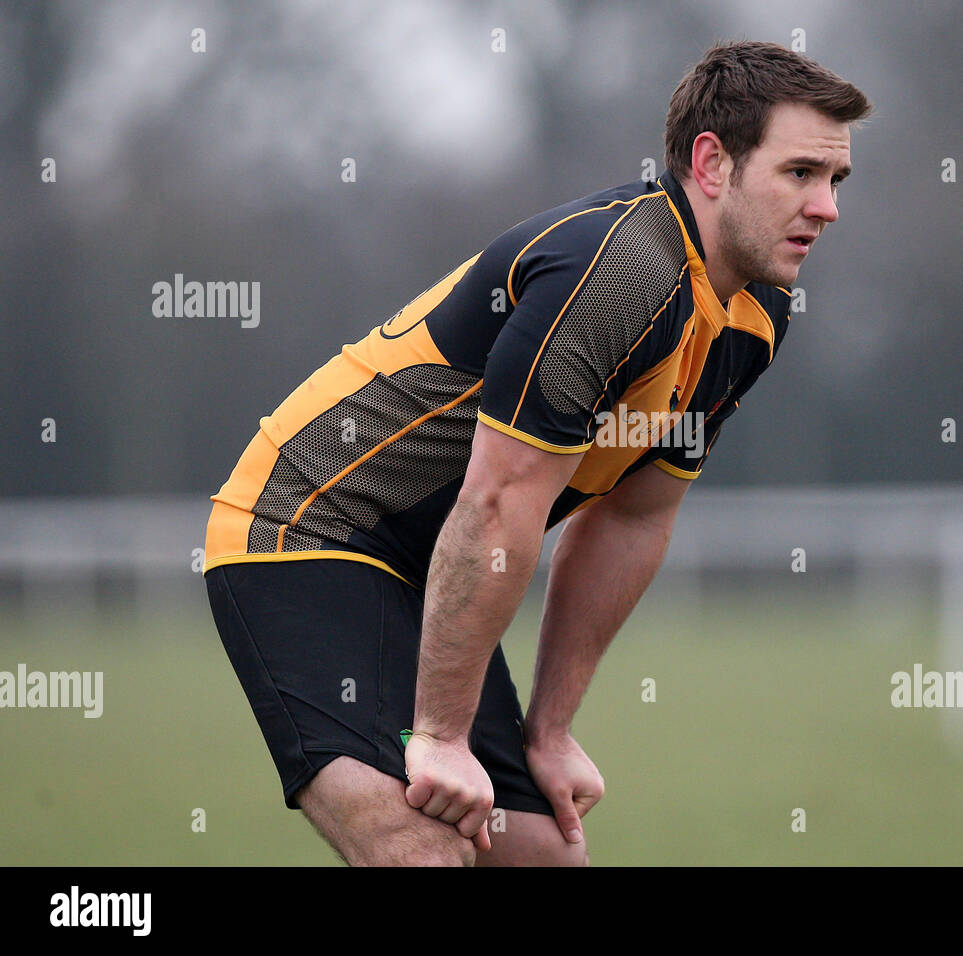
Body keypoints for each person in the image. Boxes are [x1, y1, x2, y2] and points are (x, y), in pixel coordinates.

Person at [202, 39, 871, 866]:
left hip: (429, 568)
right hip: (309, 529)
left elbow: (633, 517)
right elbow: (497, 502)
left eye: (836, 180)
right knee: (423, 850)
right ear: (711, 162)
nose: (828, 206)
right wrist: (442, 736)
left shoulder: (756, 314)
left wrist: (550, 728)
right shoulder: (624, 271)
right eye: (800, 173)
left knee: (541, 856)